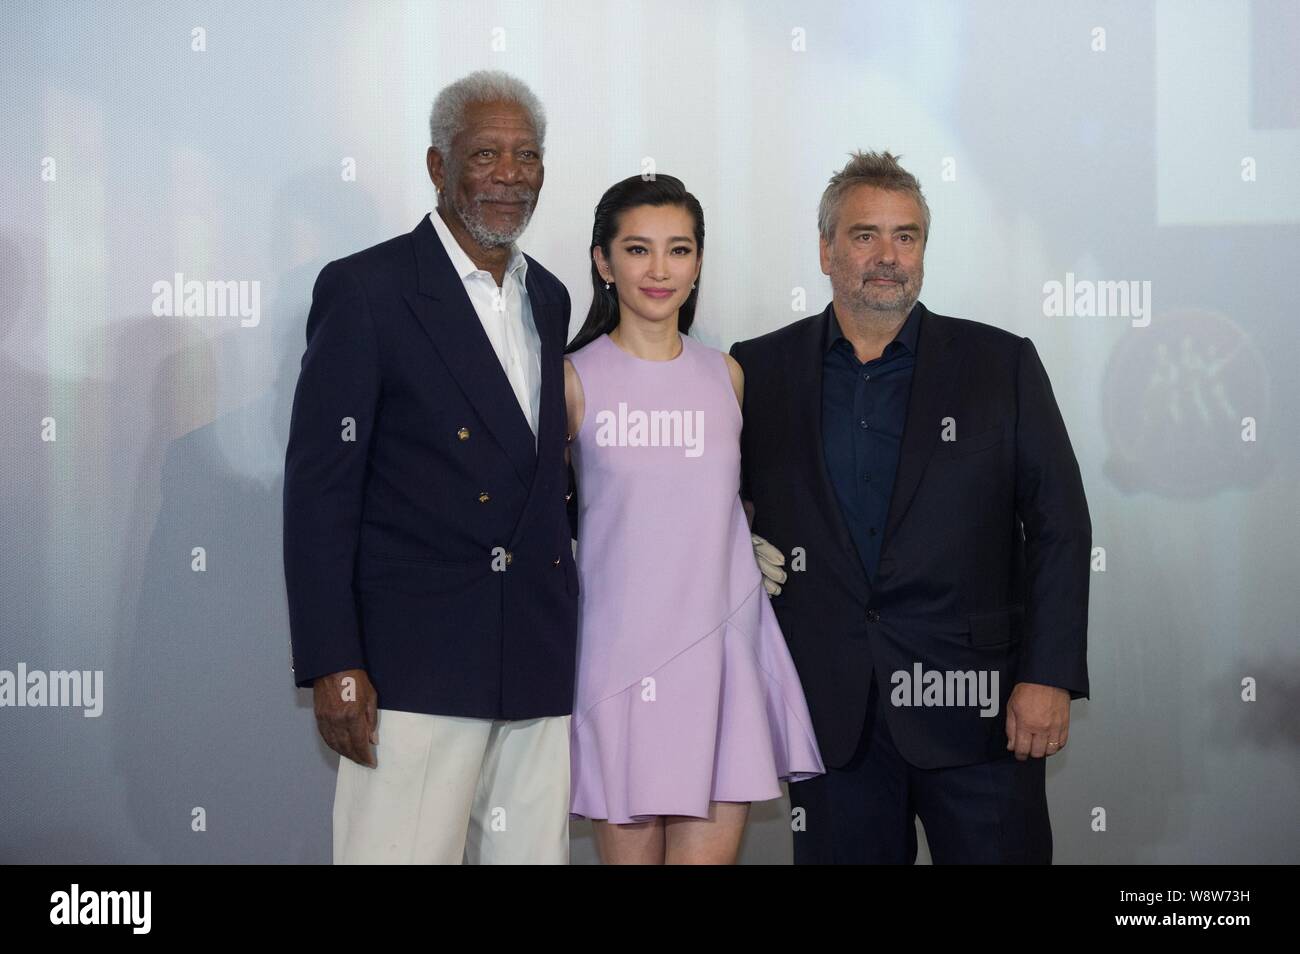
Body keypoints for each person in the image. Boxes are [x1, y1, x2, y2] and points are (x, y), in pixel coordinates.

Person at [729, 151, 1091, 864]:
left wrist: (1048, 676)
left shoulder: (1001, 363)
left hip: (982, 713)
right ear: (827, 249)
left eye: (907, 236)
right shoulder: (757, 369)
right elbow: (709, 501)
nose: (887, 256)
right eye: (865, 236)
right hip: (831, 718)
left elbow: (1060, 526)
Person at [283, 70, 578, 863]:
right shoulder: (367, 290)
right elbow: (320, 492)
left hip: (538, 660)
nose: (512, 174)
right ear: (437, 167)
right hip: (412, 665)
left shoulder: (549, 298)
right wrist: (333, 661)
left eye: (528, 155)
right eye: (486, 154)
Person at [563, 174, 825, 864]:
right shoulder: (572, 380)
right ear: (603, 261)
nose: (659, 270)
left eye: (678, 250)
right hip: (618, 664)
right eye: (638, 249)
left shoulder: (728, 377)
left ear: (699, 262)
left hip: (718, 659)